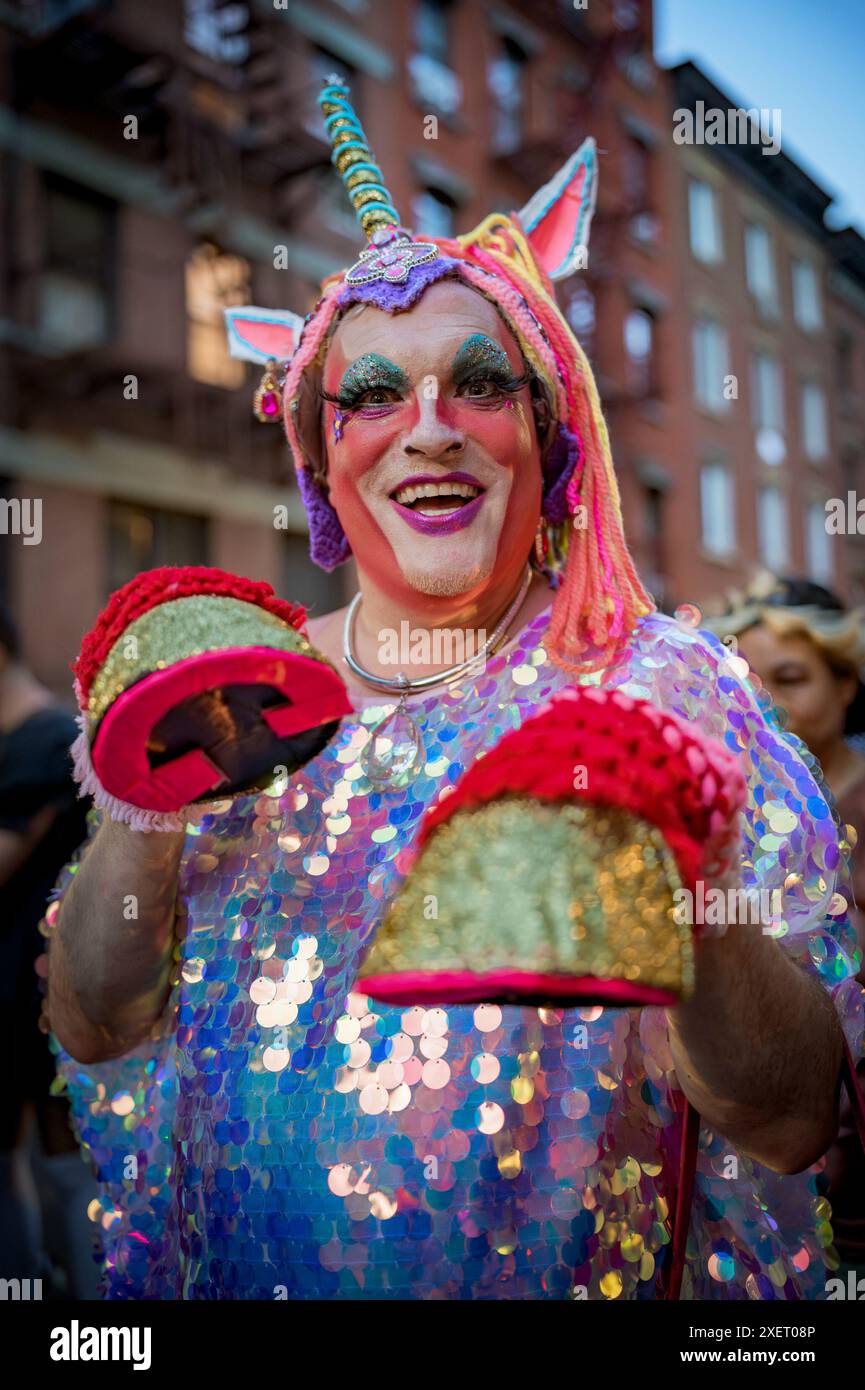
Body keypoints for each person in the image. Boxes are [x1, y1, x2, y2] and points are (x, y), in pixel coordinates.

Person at [43, 79, 861, 1301]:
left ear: (550, 432)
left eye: (477, 384)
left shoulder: (672, 692)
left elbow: (793, 1119)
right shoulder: (237, 696)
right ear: (324, 461)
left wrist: (676, 888)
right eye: (372, 395)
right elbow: (97, 1029)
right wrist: (145, 802)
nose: (426, 428)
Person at [704, 573, 865, 1277]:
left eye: (791, 677)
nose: (765, 700)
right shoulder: (718, 822)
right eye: (747, 680)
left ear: (846, 684)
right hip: (762, 1175)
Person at [0, 603, 96, 1297]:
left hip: (39, 992)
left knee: (67, 1153)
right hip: (15, 990)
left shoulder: (44, 740)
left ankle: (92, 1307)